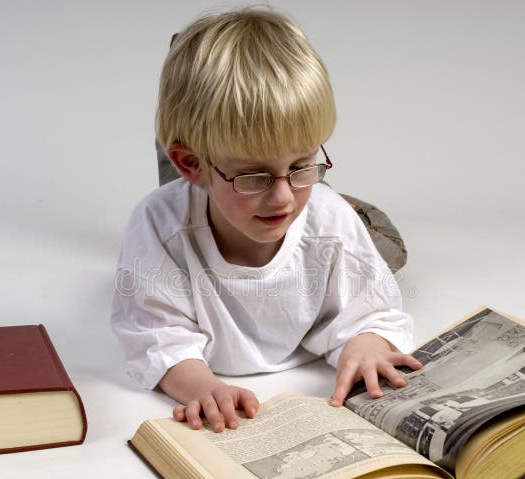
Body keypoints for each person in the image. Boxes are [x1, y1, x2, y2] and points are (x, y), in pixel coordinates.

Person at [111, 7, 421, 433]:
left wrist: (366, 343)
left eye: (302, 163)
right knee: (183, 204)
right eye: (254, 175)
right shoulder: (157, 224)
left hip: (332, 220)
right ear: (190, 163)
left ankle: (288, 181)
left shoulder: (326, 219)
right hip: (199, 199)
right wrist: (201, 385)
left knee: (376, 243)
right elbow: (154, 334)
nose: (282, 198)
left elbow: (375, 311)